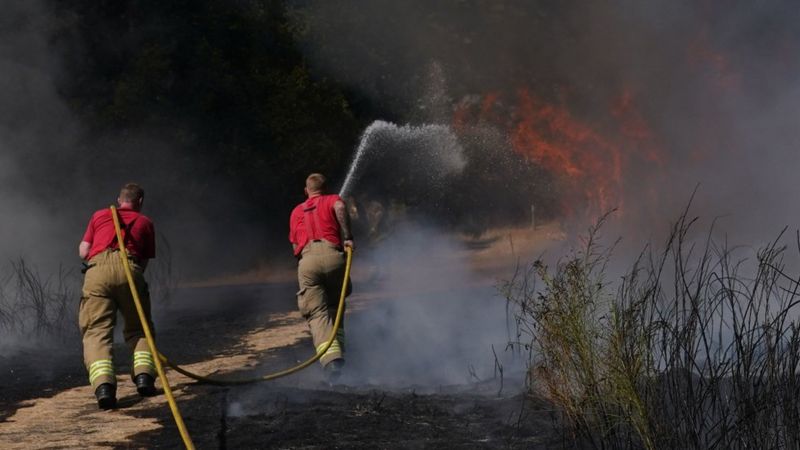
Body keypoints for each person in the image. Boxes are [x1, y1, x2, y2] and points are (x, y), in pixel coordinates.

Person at [78, 183, 158, 409]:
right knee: (139, 328)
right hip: (130, 269)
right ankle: (144, 377)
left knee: (97, 332)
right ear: (139, 201)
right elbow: (143, 263)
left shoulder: (100, 215)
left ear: (118, 199)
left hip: (96, 272)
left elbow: (83, 251)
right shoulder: (145, 222)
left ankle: (104, 387)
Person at [289, 173, 354, 383]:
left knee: (317, 312)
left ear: (306, 191)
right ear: (324, 189)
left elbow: (294, 247)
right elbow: (341, 208)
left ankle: (332, 360)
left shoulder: (296, 210)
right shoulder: (332, 199)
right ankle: (340, 350)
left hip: (308, 261)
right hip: (335, 257)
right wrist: (348, 237)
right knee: (336, 305)